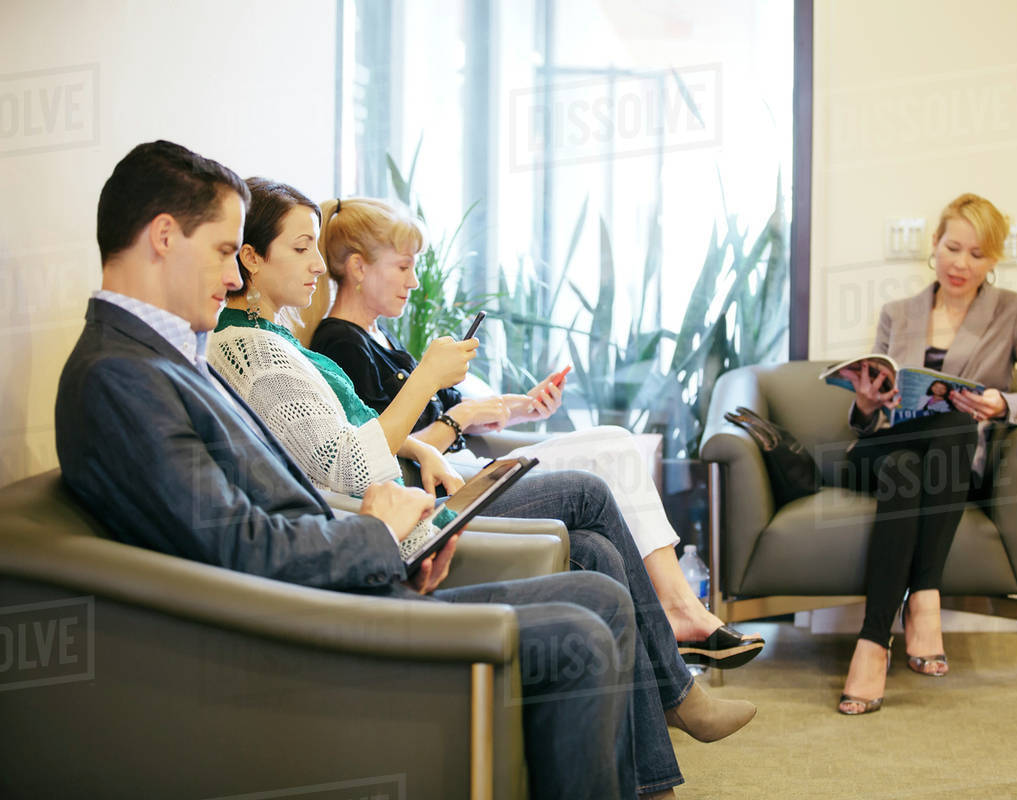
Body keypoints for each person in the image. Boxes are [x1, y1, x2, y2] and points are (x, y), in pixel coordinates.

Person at [57, 140, 641, 799]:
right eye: (223, 251)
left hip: (337, 591)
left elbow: (264, 510)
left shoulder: (165, 357)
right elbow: (237, 546)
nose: (232, 275)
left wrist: (392, 544)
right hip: (308, 631)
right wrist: (377, 535)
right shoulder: (119, 377)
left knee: (601, 598)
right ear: (164, 236)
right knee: (585, 627)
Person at [207, 178, 757, 797]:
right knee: (590, 492)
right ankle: (677, 685)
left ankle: (653, 784)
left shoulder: (279, 342)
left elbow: (352, 433)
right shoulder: (249, 350)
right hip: (404, 517)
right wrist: (429, 390)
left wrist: (426, 441)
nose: (317, 265)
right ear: (251, 258)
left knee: (597, 552)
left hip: (418, 490)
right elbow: (347, 466)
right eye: (301, 248)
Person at [303, 196, 764, 669]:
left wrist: (519, 407)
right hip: (448, 488)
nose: (414, 281)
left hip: (467, 467)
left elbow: (435, 420)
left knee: (614, 448)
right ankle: (679, 609)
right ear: (358, 268)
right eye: (403, 266)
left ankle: (676, 615)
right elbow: (388, 449)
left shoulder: (381, 337)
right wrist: (460, 416)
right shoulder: (340, 344)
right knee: (614, 447)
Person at [834, 192, 1017, 715]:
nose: (961, 263)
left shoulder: (1014, 312)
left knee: (937, 441)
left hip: (952, 460)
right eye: (952, 248)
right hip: (882, 446)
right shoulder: (898, 314)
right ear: (934, 245)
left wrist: (1002, 402)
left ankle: (872, 644)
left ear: (994, 259)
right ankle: (925, 599)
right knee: (909, 451)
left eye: (977, 254)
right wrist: (866, 402)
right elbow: (874, 411)